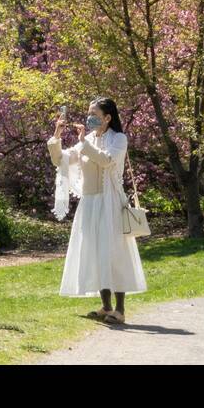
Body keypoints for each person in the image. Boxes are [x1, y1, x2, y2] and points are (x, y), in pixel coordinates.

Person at [47, 97, 147, 324]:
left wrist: (84, 143)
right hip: (90, 203)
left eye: (95, 115)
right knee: (94, 250)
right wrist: (57, 135)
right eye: (88, 114)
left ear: (108, 118)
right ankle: (105, 306)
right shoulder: (88, 139)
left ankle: (120, 309)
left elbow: (106, 160)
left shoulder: (118, 139)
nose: (89, 118)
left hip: (110, 202)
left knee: (114, 252)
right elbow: (61, 160)